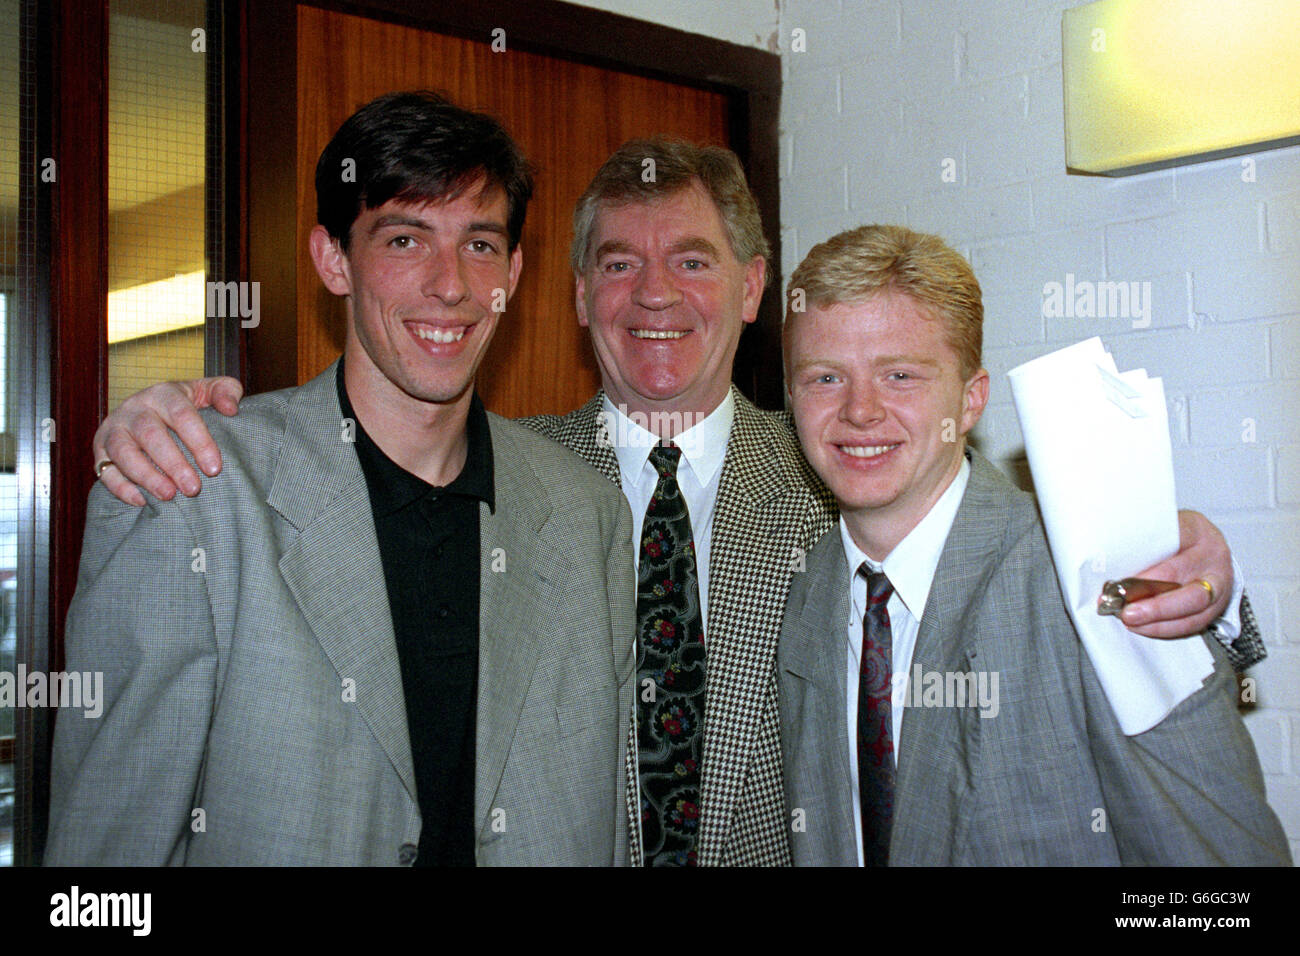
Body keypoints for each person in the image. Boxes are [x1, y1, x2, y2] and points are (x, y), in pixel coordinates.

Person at [88, 139, 1258, 866]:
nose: (655, 294)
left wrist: (1198, 569)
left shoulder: (834, 487)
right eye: (617, 262)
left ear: (751, 289)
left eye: (693, 259)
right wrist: (154, 420)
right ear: (575, 297)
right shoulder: (496, 481)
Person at [46, 91, 636, 866]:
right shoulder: (195, 494)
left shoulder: (585, 514)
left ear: (516, 272)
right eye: (404, 239)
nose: (450, 284)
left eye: (481, 245)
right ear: (333, 260)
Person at [778, 224, 1289, 865]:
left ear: (970, 401)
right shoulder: (808, 588)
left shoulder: (1090, 579)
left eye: (900, 375)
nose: (859, 411)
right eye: (825, 378)